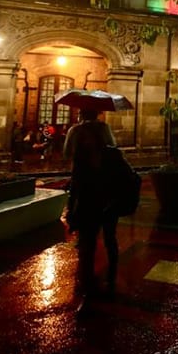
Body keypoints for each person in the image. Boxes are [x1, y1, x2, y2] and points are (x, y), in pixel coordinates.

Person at [63, 108, 119, 312]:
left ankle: (88, 289)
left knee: (87, 241)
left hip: (85, 190)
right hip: (107, 189)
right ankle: (112, 278)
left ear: (81, 114)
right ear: (97, 114)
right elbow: (114, 148)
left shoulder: (75, 131)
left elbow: (66, 154)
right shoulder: (105, 129)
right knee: (110, 237)